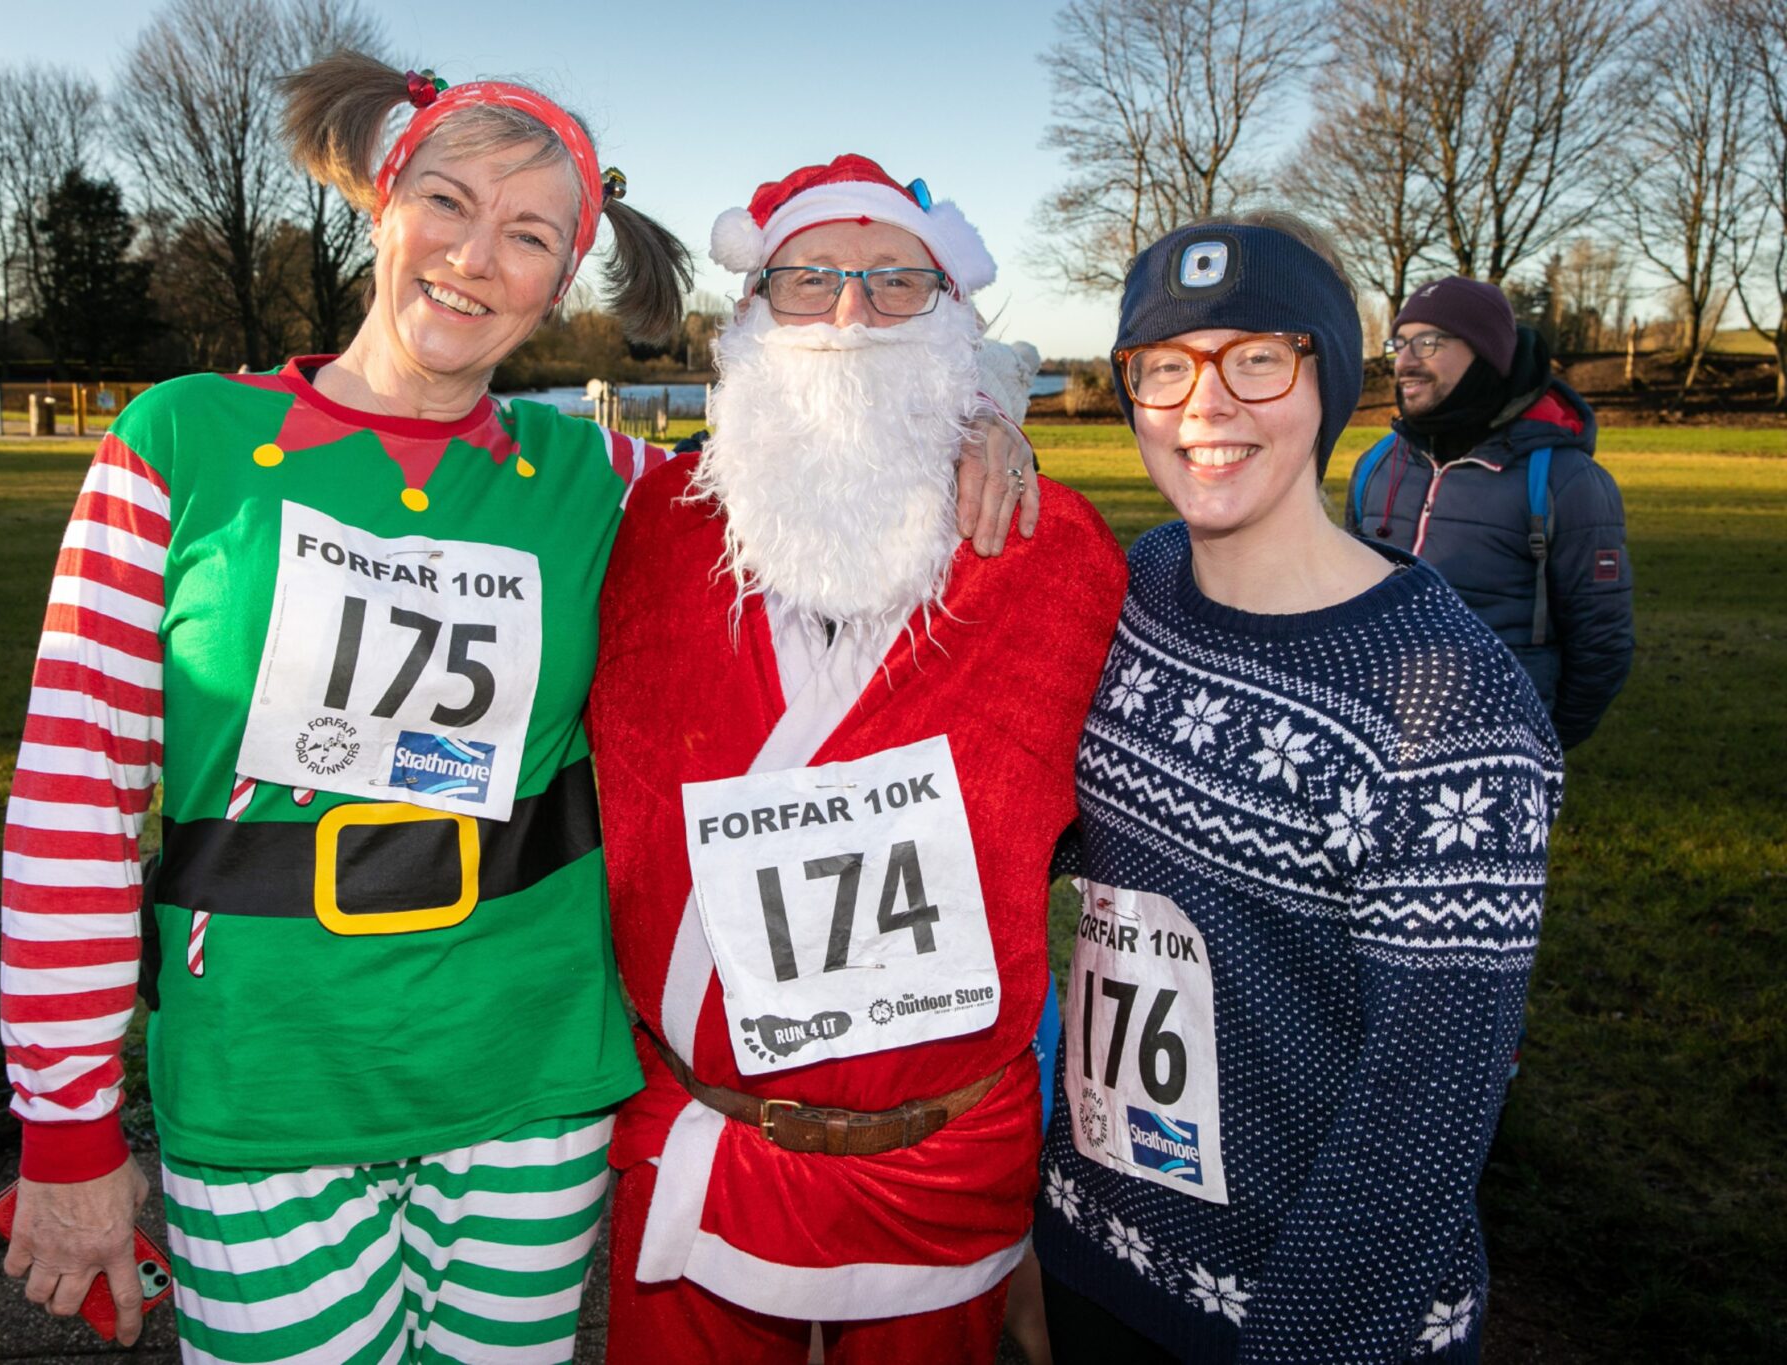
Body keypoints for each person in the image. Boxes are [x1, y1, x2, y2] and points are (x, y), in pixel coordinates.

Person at [0, 61, 1035, 1362]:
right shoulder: (179, 442)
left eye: (530, 235)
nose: (475, 256)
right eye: (448, 201)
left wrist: (979, 407)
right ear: (383, 204)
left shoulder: (605, 478)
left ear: (561, 283)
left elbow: (828, 434)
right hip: (266, 1080)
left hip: (530, 1090)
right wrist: (67, 1129)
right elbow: (73, 800)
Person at [587, 154, 1128, 1364]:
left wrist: (992, 416)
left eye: (895, 282)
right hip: (705, 1140)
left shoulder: (1052, 552)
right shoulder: (648, 527)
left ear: (953, 317)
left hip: (939, 1159)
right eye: (807, 278)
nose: (846, 312)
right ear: (747, 310)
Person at [1031, 216, 1563, 1363]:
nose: (1204, 407)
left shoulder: (1446, 709)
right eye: (1164, 367)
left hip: (1298, 1312)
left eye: (1257, 359)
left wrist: (1304, 1340)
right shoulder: (1140, 586)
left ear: (1330, 382)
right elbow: (1045, 830)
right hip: (1088, 1257)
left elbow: (1421, 1116)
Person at [1347, 276, 1633, 749]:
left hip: (1499, 753)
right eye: (1399, 343)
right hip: (1372, 737)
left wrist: (1543, 746)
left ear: (1487, 352)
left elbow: (1602, 642)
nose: (1406, 361)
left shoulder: (1565, 481)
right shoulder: (1377, 464)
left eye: (1428, 342)